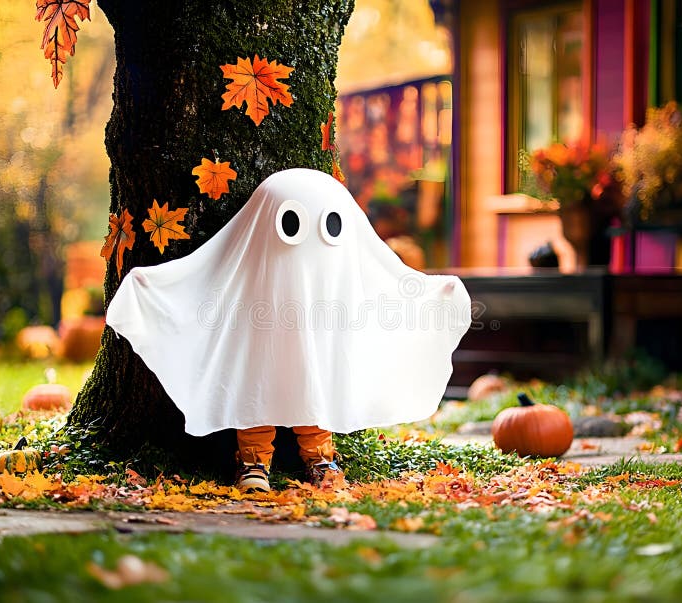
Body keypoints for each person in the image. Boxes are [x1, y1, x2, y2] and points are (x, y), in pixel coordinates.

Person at [105, 169, 470, 492]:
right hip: (261, 342)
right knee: (255, 389)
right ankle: (253, 460)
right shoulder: (253, 270)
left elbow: (383, 281)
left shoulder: (335, 282)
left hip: (317, 346)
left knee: (316, 387)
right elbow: (207, 279)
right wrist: (152, 287)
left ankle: (319, 457)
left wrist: (434, 293)